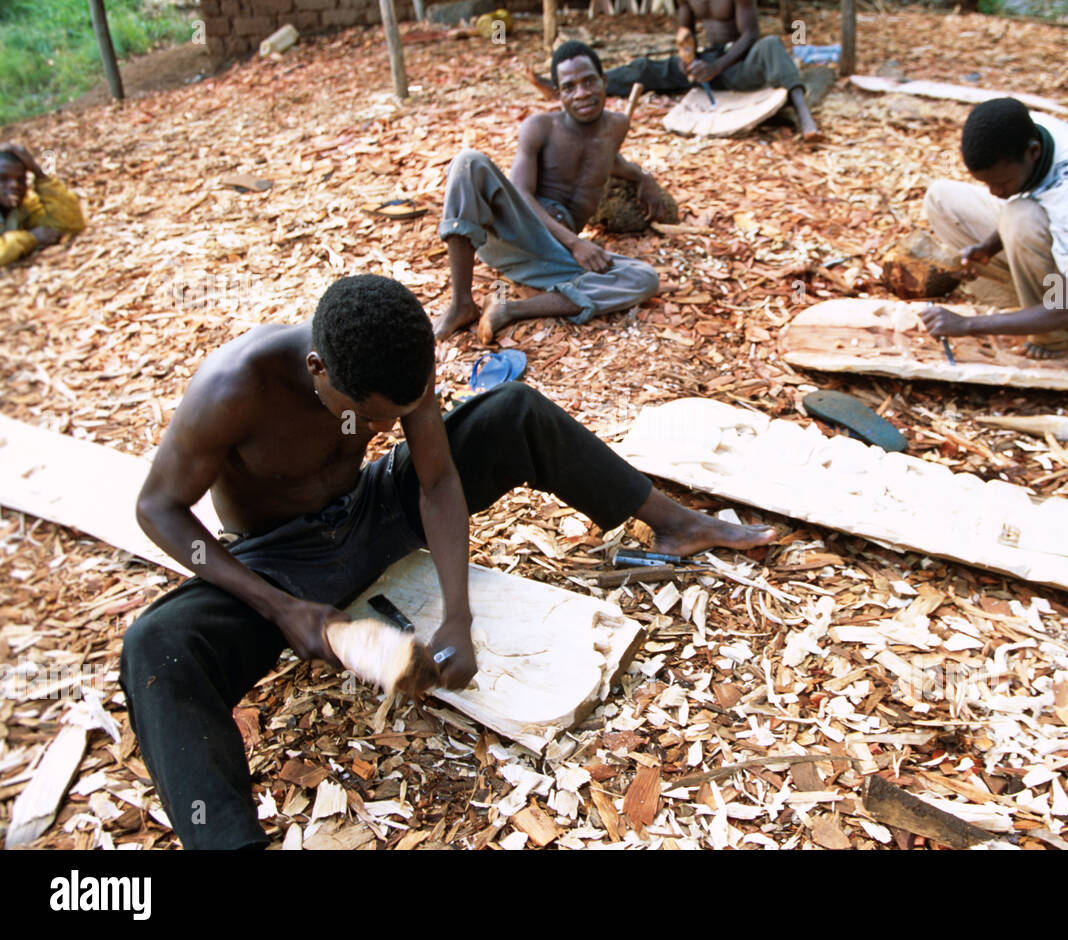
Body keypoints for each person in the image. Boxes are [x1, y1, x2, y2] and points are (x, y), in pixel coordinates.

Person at [122, 273, 775, 849]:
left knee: (513, 411)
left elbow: (435, 482)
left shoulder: (401, 362)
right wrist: (281, 607)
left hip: (373, 509)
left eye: (396, 417)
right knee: (158, 648)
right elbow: (157, 509)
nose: (381, 431)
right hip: (282, 563)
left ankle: (673, 524)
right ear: (318, 369)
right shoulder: (235, 386)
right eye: (369, 418)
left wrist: (457, 618)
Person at [435, 42, 668, 345]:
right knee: (468, 162)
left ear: (605, 81)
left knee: (644, 278)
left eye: (589, 81)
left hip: (554, 258)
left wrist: (645, 177)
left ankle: (509, 309)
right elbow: (520, 192)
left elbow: (609, 161)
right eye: (569, 87)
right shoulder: (539, 127)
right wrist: (575, 243)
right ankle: (461, 304)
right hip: (519, 230)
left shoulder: (617, 125)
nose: (582, 93)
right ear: (558, 95)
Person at [919, 98, 1068, 359]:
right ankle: (1029, 303)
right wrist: (988, 247)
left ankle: (1061, 336)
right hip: (1065, 237)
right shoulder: (1026, 130)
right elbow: (1038, 199)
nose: (995, 193)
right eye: (987, 184)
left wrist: (967, 325)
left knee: (1020, 217)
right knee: (941, 197)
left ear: (1033, 152)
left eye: (1003, 182)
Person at [602, 0, 821, 140]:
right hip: (708, 63)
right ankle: (600, 82)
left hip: (738, 65)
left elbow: (751, 35)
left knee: (771, 44)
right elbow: (686, 31)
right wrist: (687, 58)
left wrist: (717, 67)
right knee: (645, 68)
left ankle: (805, 117)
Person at [0, 142, 85, 266]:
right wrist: (31, 238)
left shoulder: (25, 205)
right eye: (3, 178)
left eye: (20, 179)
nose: (14, 185)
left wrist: (40, 174)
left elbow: (70, 223)